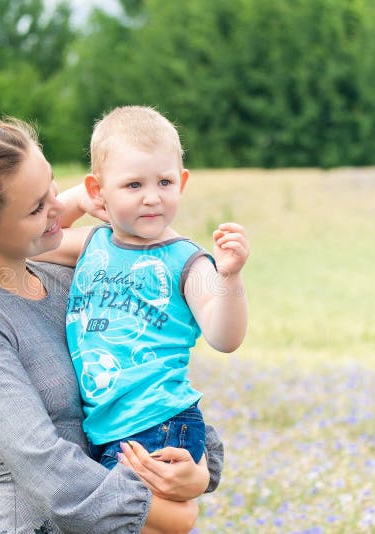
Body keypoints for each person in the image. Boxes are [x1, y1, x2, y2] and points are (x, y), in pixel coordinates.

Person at [0, 116, 224, 534]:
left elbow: (148, 384)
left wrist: (200, 468)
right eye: (35, 207)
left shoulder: (69, 279)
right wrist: (172, 514)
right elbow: (43, 463)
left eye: (54, 190)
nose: (58, 210)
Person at [41, 106, 249, 472]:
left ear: (181, 183)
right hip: (105, 432)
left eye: (164, 183)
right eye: (134, 185)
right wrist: (77, 199)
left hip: (159, 424)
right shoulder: (93, 243)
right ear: (98, 190)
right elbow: (33, 240)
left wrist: (229, 278)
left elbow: (225, 337)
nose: (152, 197)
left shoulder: (187, 261)